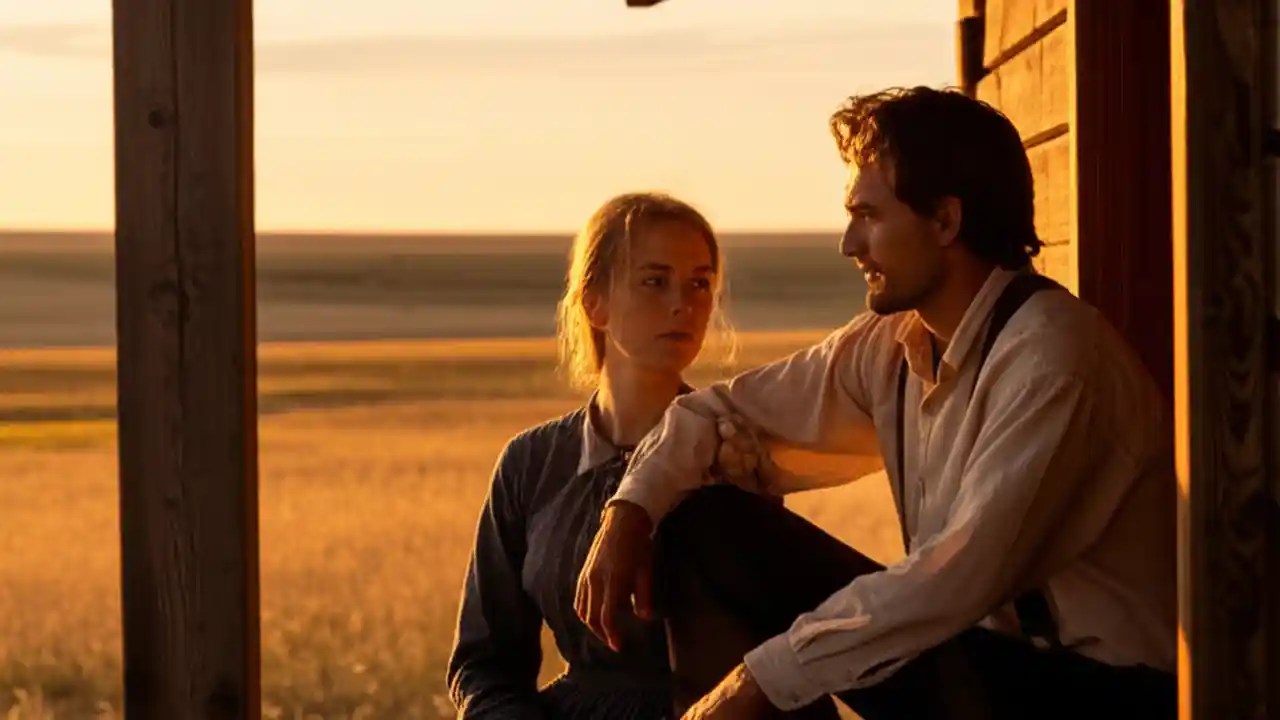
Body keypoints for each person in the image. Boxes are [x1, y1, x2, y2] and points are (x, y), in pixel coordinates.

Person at [574, 87, 1178, 720]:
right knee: (705, 519)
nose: (848, 244)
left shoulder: (1055, 360)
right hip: (990, 669)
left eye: (869, 216)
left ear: (945, 222)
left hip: (1102, 694)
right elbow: (713, 413)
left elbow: (952, 581)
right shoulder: (894, 344)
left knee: (802, 654)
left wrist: (755, 680)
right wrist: (630, 510)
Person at [446, 192, 734, 719]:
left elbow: (762, 649)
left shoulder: (733, 450)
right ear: (594, 302)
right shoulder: (531, 463)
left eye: (699, 283)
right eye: (655, 281)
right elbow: (484, 661)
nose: (683, 304)